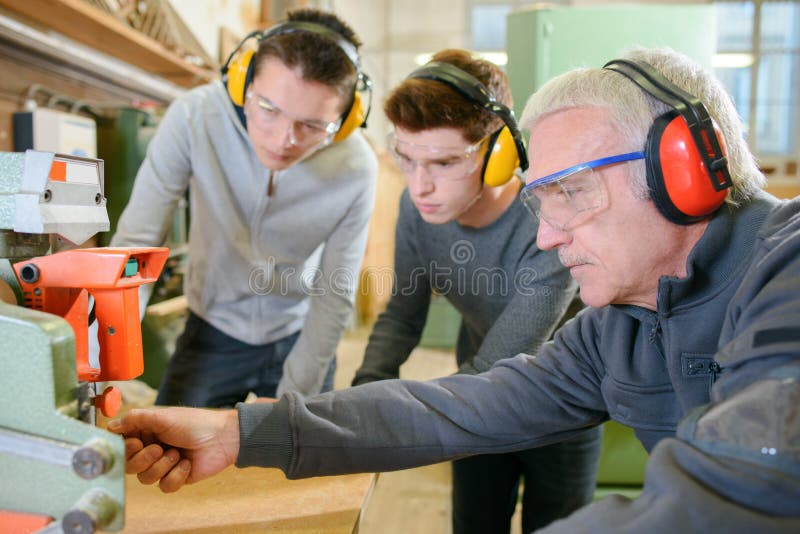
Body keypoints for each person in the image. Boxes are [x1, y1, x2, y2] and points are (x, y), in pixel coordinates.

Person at [110, 47, 800, 533]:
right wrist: (239, 432)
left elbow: (744, 494)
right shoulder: (612, 330)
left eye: (572, 193)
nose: (551, 236)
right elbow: (454, 407)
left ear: (683, 167)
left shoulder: (788, 266)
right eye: (541, 201)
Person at [351, 49, 601, 534]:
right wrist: (362, 397)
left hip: (564, 404)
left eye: (444, 162)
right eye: (407, 158)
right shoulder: (416, 208)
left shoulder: (551, 220)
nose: (420, 186)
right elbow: (403, 315)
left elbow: (495, 371)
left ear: (498, 154)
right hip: (472, 389)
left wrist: (382, 423)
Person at [110, 9, 378, 406]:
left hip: (303, 335)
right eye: (268, 109)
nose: (283, 139)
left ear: (346, 119)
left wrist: (295, 400)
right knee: (168, 458)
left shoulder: (356, 166)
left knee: (298, 461)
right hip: (211, 330)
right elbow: (136, 243)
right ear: (243, 81)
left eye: (311, 126)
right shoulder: (194, 117)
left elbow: (334, 291)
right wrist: (107, 356)